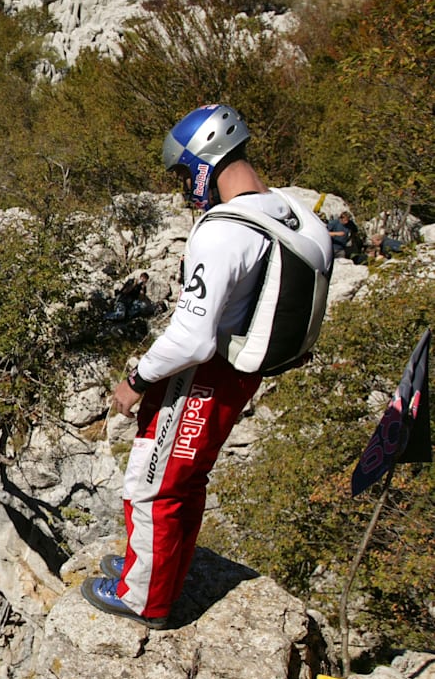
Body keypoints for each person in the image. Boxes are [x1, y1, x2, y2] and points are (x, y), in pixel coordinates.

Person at [83, 104, 332, 630]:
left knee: (154, 481)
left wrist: (134, 382)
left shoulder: (222, 233)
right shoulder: (284, 208)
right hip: (240, 372)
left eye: (183, 172)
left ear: (205, 159)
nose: (182, 186)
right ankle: (154, 567)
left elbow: (192, 337)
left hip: (207, 370)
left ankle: (142, 597)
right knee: (187, 477)